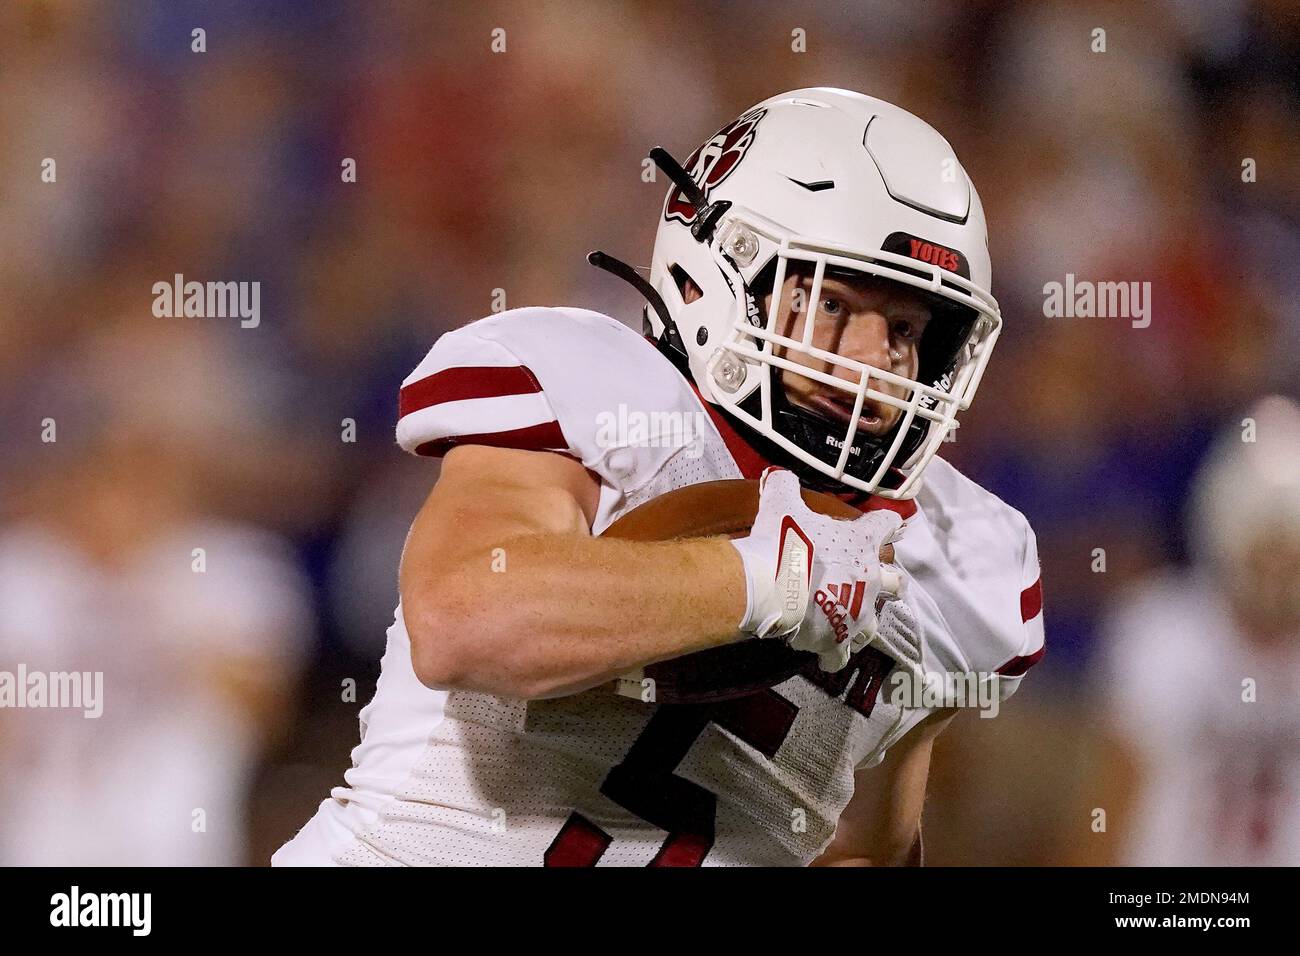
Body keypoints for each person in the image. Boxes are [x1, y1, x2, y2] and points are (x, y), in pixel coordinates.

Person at [274, 87, 1044, 867]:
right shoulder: (603, 392)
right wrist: (769, 578)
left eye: (908, 327)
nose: (876, 359)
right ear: (722, 269)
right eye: (831, 302)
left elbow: (859, 846)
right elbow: (464, 618)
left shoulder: (961, 553)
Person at [1092, 395, 1300, 866]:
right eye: (1266, 549)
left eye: (1290, 555)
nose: (1277, 574)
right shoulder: (1163, 633)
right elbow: (1109, 809)